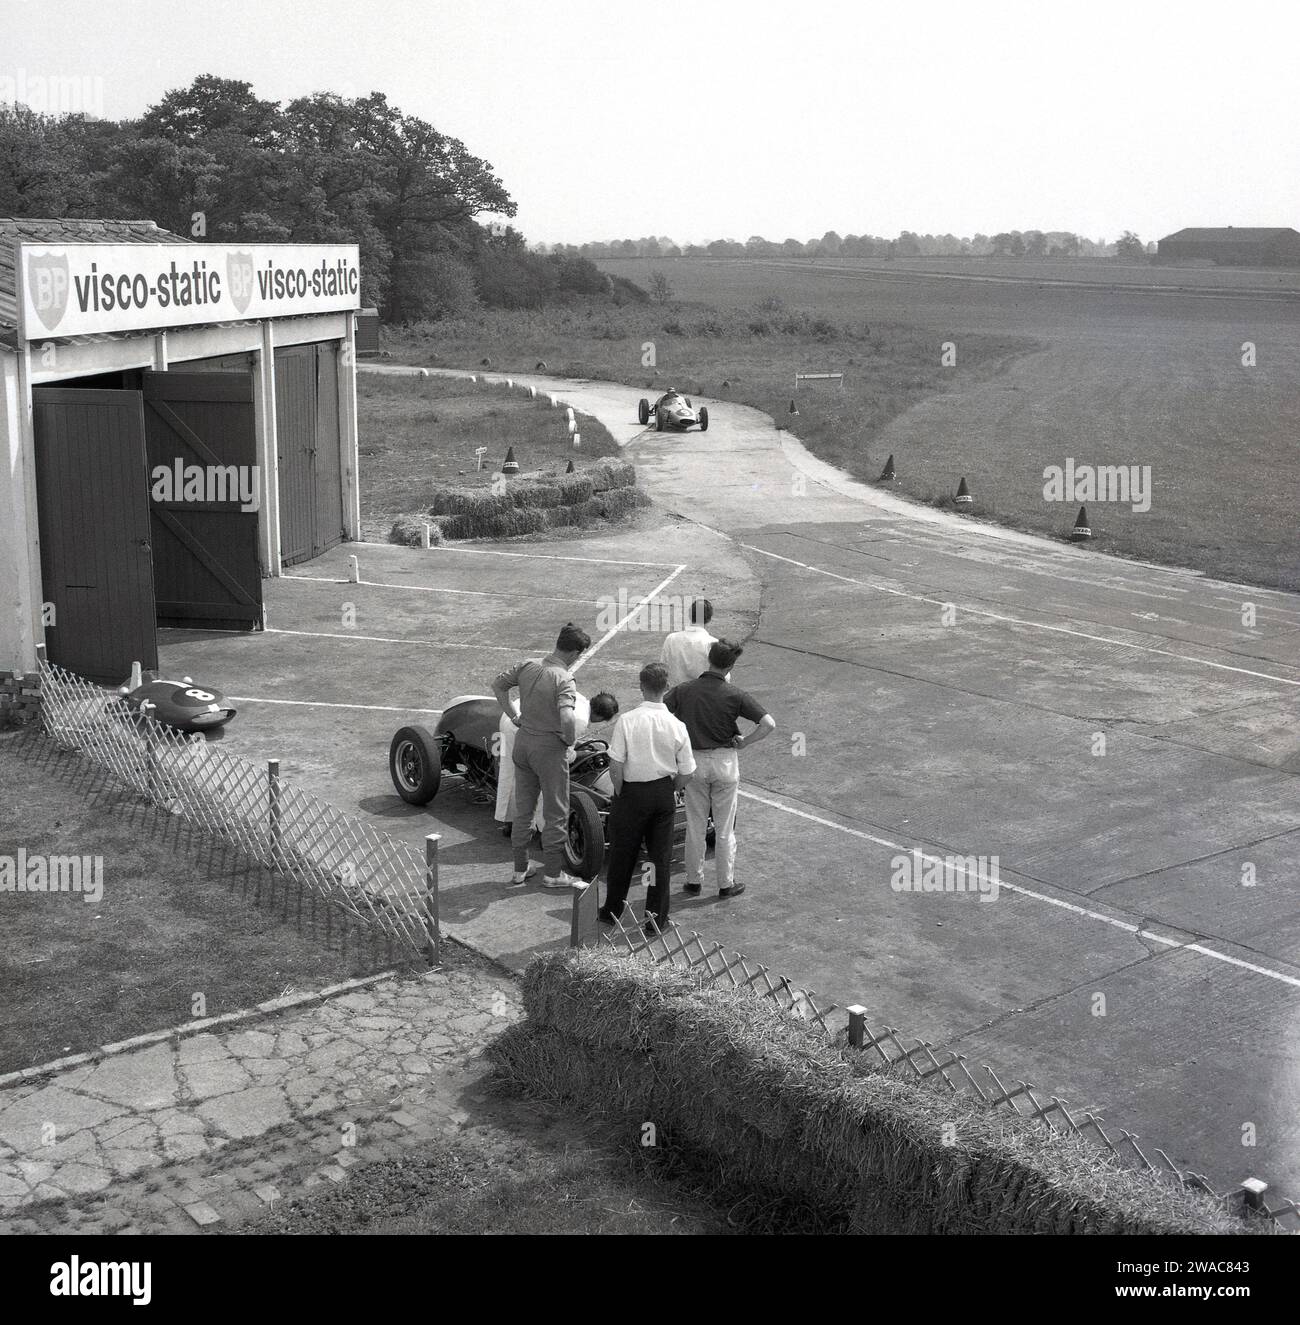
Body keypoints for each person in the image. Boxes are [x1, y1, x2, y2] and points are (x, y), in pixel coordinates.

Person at [666, 639, 775, 898]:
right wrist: (745, 742)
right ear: (730, 666)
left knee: (695, 824)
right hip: (725, 762)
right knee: (725, 827)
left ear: (709, 659)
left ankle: (693, 881)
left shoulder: (684, 690)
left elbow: (662, 713)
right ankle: (726, 883)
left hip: (694, 763)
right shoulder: (735, 694)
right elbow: (769, 723)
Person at [492, 623, 591, 888]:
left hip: (523, 743)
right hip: (548, 750)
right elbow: (568, 716)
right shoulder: (563, 678)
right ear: (575, 653)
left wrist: (515, 717)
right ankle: (553, 874)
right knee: (556, 812)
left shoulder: (528, 665)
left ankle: (519, 869)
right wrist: (569, 741)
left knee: (523, 810)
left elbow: (498, 685)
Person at [600, 662, 695, 935]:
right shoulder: (676, 725)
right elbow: (688, 771)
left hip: (631, 793)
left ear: (641, 687)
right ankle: (655, 920)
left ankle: (612, 911)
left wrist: (621, 791)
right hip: (662, 793)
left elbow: (616, 765)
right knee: (658, 858)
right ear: (667, 688)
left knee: (622, 854)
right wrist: (671, 789)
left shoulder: (627, 721)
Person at [495, 691, 618, 835]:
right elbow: (564, 755)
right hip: (520, 726)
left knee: (512, 774)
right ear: (599, 716)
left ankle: (512, 824)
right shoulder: (580, 720)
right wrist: (583, 754)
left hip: (513, 715)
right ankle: (537, 830)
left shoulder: (578, 697)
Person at [660, 596, 718, 688]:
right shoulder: (713, 643)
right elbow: (722, 677)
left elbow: (663, 670)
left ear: (690, 615)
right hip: (702, 697)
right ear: (709, 619)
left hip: (675, 696)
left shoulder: (671, 639)